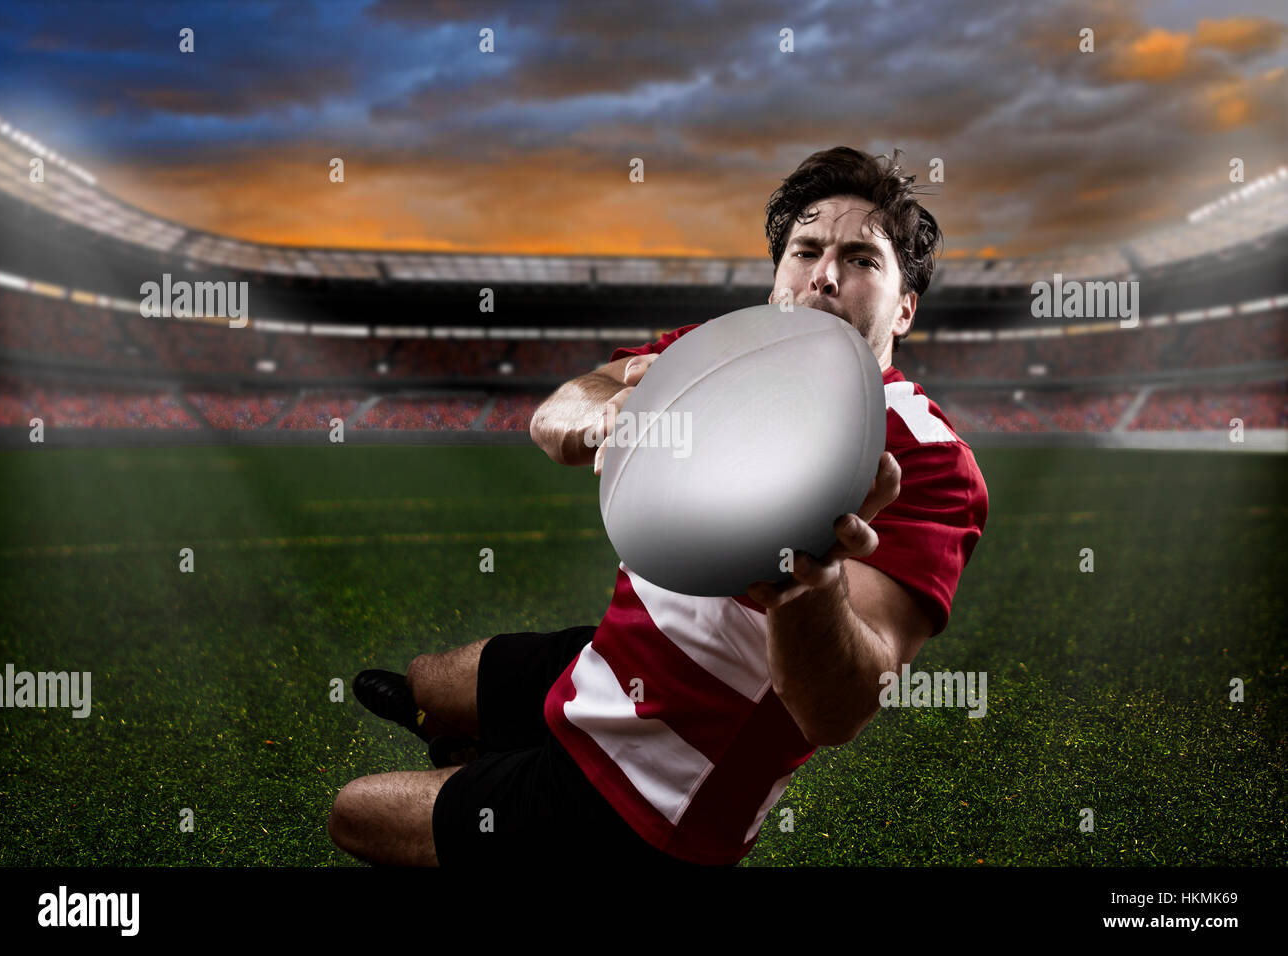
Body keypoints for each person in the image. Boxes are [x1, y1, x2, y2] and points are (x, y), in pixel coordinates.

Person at [327, 146, 989, 867]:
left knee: (353, 813)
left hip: (655, 792)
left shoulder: (928, 462)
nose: (825, 276)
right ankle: (478, 755)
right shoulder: (724, 356)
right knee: (431, 678)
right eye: (806, 250)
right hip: (614, 659)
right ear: (777, 282)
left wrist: (807, 586)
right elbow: (563, 409)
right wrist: (603, 413)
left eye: (862, 260)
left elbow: (837, 709)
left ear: (905, 307)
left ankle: (493, 788)